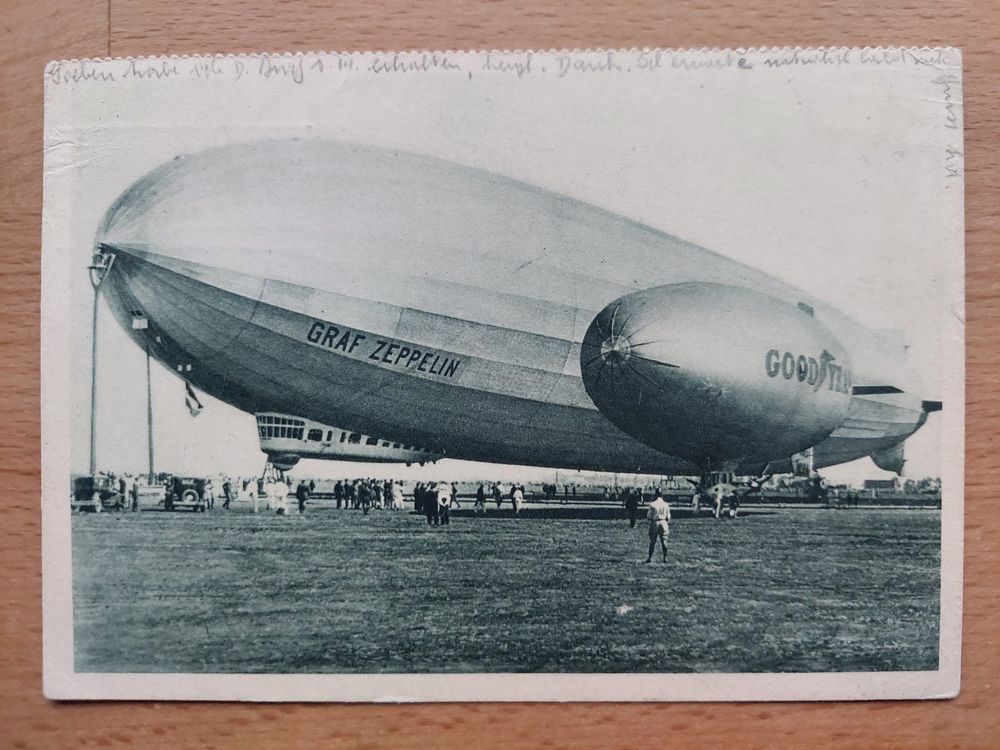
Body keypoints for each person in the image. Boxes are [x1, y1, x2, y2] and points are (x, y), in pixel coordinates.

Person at [645, 493, 671, 563]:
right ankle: (665, 557)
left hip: (655, 522)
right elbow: (668, 517)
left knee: (652, 541)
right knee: (664, 541)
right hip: (663, 522)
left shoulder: (652, 504)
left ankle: (649, 557)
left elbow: (648, 516)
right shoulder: (666, 504)